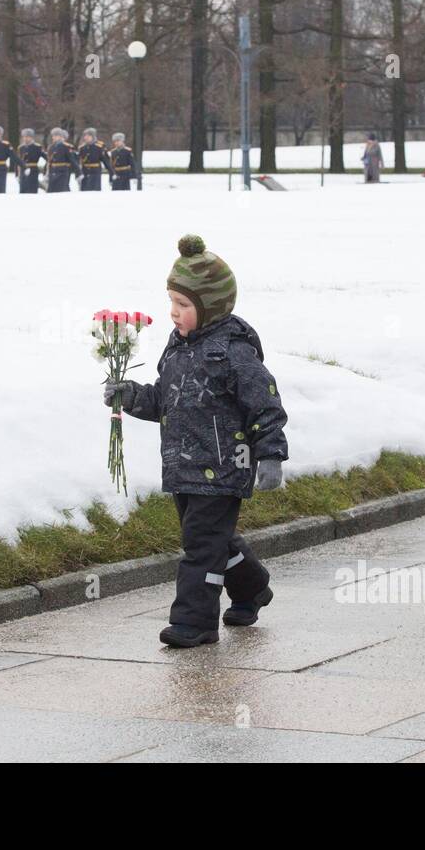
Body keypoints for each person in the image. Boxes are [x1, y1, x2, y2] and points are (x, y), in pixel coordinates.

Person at [103, 235, 289, 648]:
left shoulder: (234, 352)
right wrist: (133, 396)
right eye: (171, 302)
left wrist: (271, 453)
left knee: (200, 547)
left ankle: (194, 621)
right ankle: (252, 587)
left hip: (225, 464)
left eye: (183, 305)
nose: (174, 313)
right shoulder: (177, 347)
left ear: (211, 306)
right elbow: (166, 400)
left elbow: (265, 403)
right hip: (183, 463)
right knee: (209, 538)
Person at [16, 128, 46, 193]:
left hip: (33, 170)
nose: (25, 138)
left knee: (32, 189)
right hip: (23, 171)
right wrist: (17, 174)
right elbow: (18, 161)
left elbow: (47, 158)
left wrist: (45, 170)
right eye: (24, 137)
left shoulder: (37, 147)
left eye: (27, 136)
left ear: (32, 137)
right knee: (23, 190)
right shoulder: (21, 148)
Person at [46, 128, 74, 193]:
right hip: (53, 172)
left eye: (56, 135)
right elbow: (49, 162)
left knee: (62, 192)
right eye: (53, 136)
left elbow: (72, 160)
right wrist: (47, 173)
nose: (53, 137)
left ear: (60, 136)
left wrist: (78, 173)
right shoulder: (51, 147)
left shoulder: (66, 146)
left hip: (62, 173)